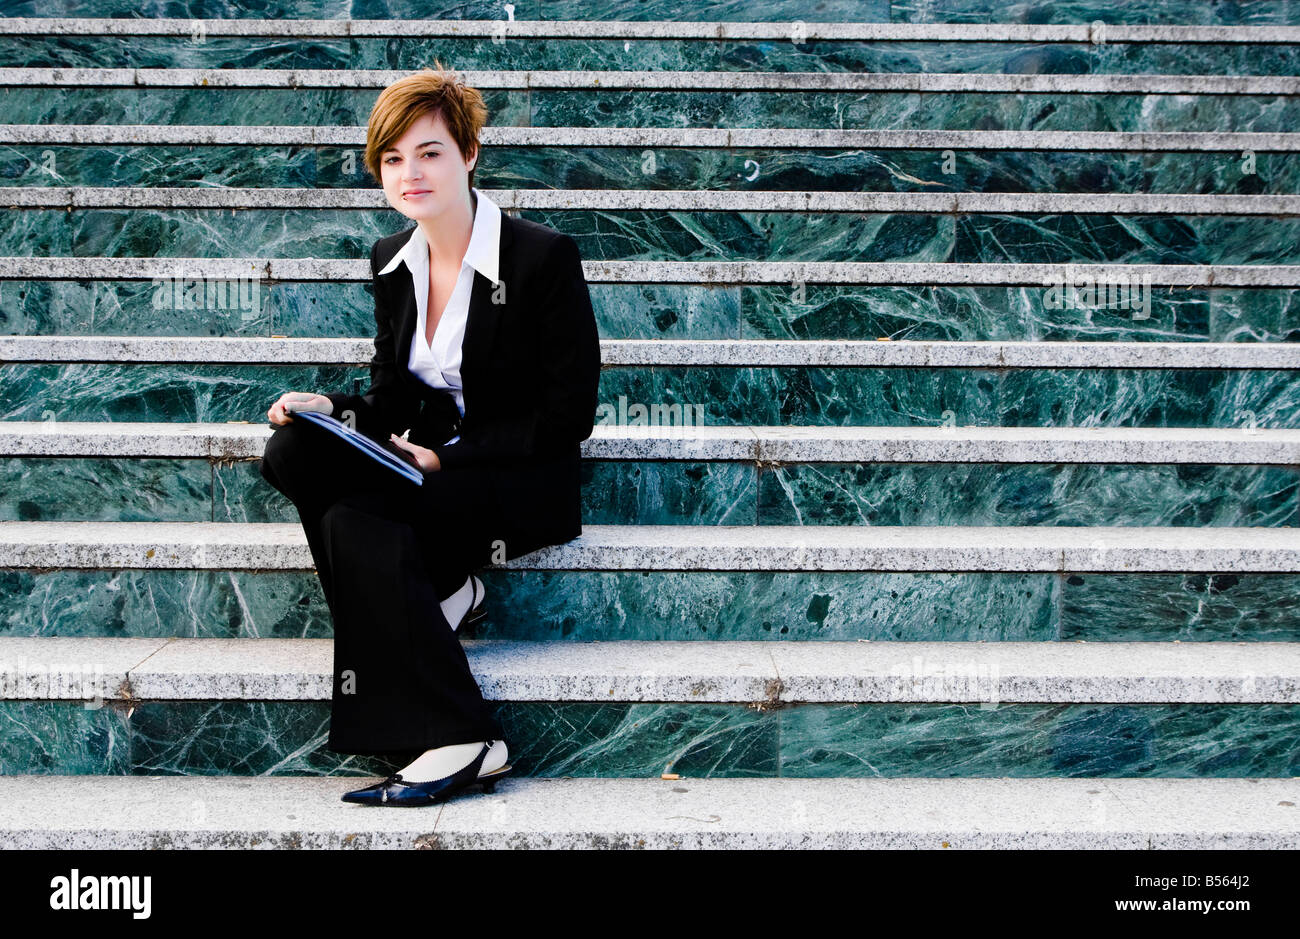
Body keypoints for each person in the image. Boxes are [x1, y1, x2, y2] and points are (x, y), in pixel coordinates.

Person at [259, 64, 601, 807]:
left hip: (514, 477)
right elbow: (391, 397)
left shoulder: (543, 257)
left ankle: (459, 732)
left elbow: (568, 414)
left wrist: (447, 455)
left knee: (354, 518)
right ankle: (445, 591)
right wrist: (330, 406)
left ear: (470, 153)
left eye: (430, 152)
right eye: (392, 158)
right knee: (292, 448)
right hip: (430, 469)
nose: (409, 173)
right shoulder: (392, 259)